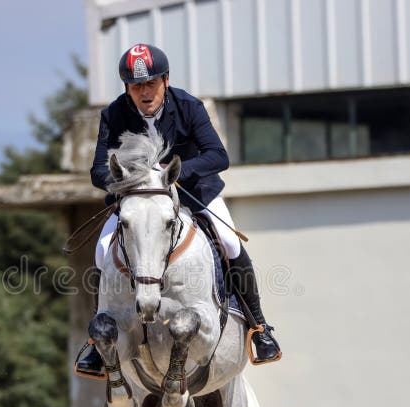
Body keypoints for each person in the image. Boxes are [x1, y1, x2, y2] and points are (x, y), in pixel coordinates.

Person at [74, 43, 281, 379]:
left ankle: (259, 326)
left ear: (165, 80)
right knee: (101, 251)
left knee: (230, 242)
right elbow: (99, 171)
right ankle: (97, 342)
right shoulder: (113, 114)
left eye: (150, 83)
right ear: (127, 87)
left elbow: (218, 156)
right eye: (136, 86)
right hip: (138, 199)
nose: (144, 92)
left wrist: (171, 172)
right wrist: (132, 178)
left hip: (191, 192)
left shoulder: (188, 106)